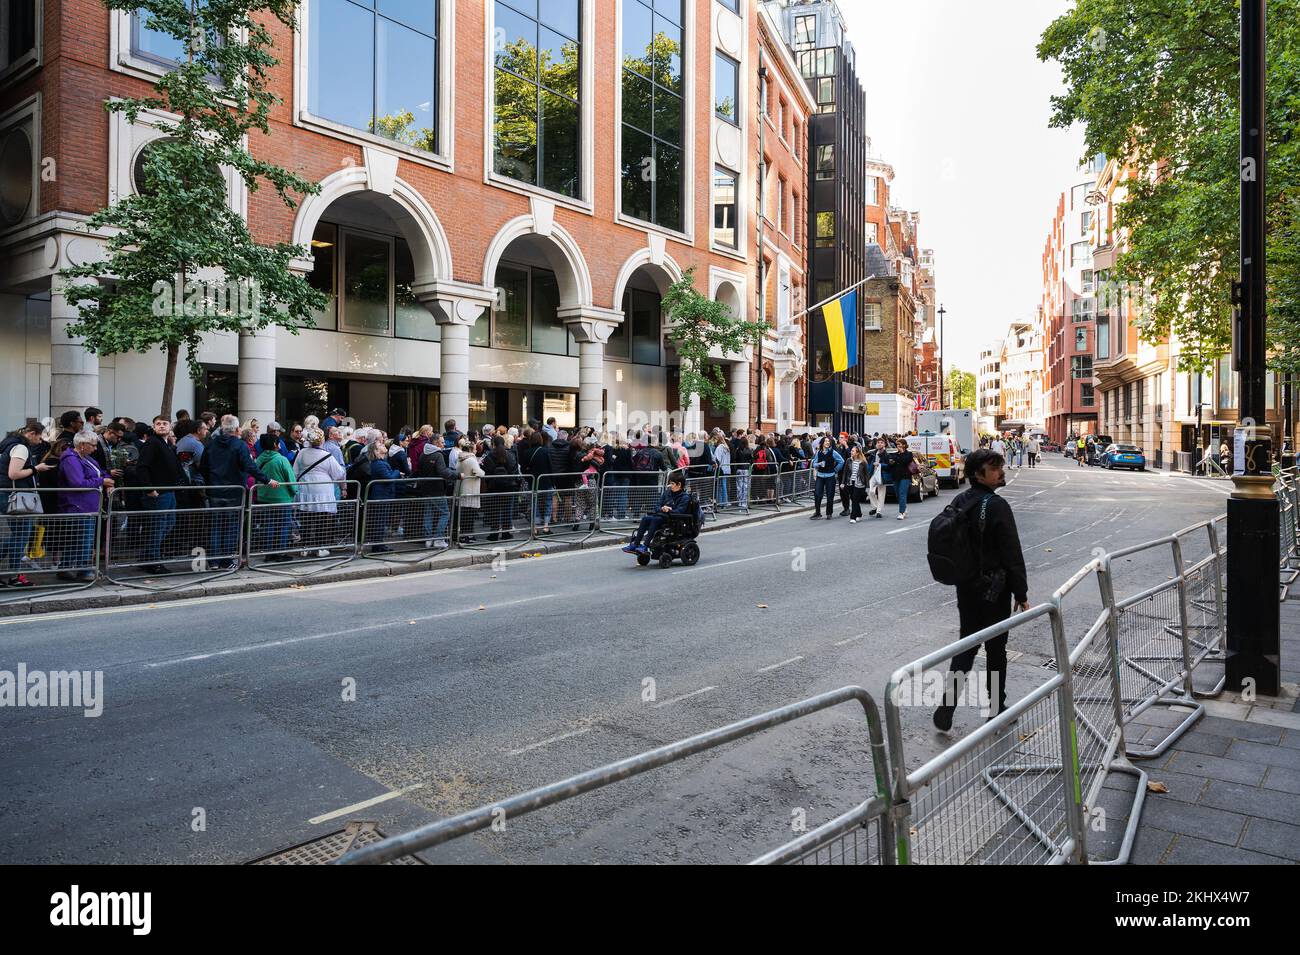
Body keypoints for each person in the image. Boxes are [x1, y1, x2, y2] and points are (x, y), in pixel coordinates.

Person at [933, 448, 1029, 731]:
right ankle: (996, 708)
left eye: (1001, 466)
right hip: (994, 590)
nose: (1001, 471)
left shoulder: (961, 499)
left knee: (966, 646)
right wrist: (1021, 593)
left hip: (966, 587)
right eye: (994, 467)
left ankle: (946, 708)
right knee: (996, 650)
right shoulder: (997, 506)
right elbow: (1012, 554)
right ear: (978, 474)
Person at [0, 422, 57, 588]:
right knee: (21, 536)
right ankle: (14, 576)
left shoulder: (7, 444)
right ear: (32, 433)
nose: (40, 441)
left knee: (18, 536)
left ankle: (13, 575)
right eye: (39, 437)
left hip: (7, 495)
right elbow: (14, 473)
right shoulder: (20, 448)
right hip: (15, 496)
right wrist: (36, 468)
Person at [57, 431, 114, 581]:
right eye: (93, 445)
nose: (95, 449)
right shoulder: (70, 459)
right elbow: (77, 483)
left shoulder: (87, 458)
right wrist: (101, 481)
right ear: (82, 445)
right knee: (84, 539)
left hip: (89, 505)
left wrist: (106, 480)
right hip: (78, 505)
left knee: (77, 538)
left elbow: (103, 473)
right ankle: (84, 570)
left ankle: (65, 568)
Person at [134, 415, 184, 575]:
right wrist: (149, 489)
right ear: (153, 427)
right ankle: (153, 562)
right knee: (157, 527)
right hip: (158, 493)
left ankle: (145, 557)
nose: (161, 426)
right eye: (158, 424)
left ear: (170, 427)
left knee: (167, 524)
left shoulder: (166, 444)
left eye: (165, 424)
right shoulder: (152, 443)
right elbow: (142, 467)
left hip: (168, 491)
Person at [293, 427, 347, 558]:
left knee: (306, 519)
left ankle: (305, 547)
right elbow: (339, 473)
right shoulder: (326, 455)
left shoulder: (302, 452)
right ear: (321, 440)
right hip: (323, 488)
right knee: (322, 519)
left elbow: (295, 470)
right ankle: (320, 548)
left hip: (305, 487)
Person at [622, 473, 690, 555]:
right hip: (661, 515)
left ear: (679, 484)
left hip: (672, 519)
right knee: (645, 519)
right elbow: (657, 506)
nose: (670, 485)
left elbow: (680, 511)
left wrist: (669, 510)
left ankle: (645, 545)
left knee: (655, 519)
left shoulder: (685, 497)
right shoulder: (667, 493)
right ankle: (635, 544)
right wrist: (662, 508)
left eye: (672, 484)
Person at [810, 436, 843, 520]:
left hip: (830, 476)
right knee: (817, 494)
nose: (828, 443)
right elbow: (814, 464)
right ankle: (817, 513)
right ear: (822, 443)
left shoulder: (833, 452)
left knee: (830, 495)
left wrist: (835, 470)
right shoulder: (818, 452)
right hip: (820, 475)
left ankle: (829, 513)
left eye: (829, 441)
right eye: (826, 441)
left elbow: (841, 461)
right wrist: (819, 464)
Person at [889, 437, 915, 520]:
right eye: (897, 445)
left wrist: (901, 454)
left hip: (905, 477)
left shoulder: (909, 454)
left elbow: (905, 460)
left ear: (904, 445)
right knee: (897, 494)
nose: (897, 446)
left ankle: (901, 512)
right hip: (895, 477)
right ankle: (904, 507)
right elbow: (890, 463)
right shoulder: (894, 454)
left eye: (899, 444)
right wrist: (892, 461)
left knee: (902, 493)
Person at [867, 437, 888, 519]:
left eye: (881, 442)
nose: (879, 444)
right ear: (876, 444)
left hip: (882, 475)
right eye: (878, 442)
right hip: (873, 475)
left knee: (881, 494)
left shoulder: (886, 454)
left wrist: (879, 465)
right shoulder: (873, 453)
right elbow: (870, 463)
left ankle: (879, 511)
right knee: (871, 491)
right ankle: (875, 507)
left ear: (884, 444)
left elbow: (889, 466)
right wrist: (868, 472)